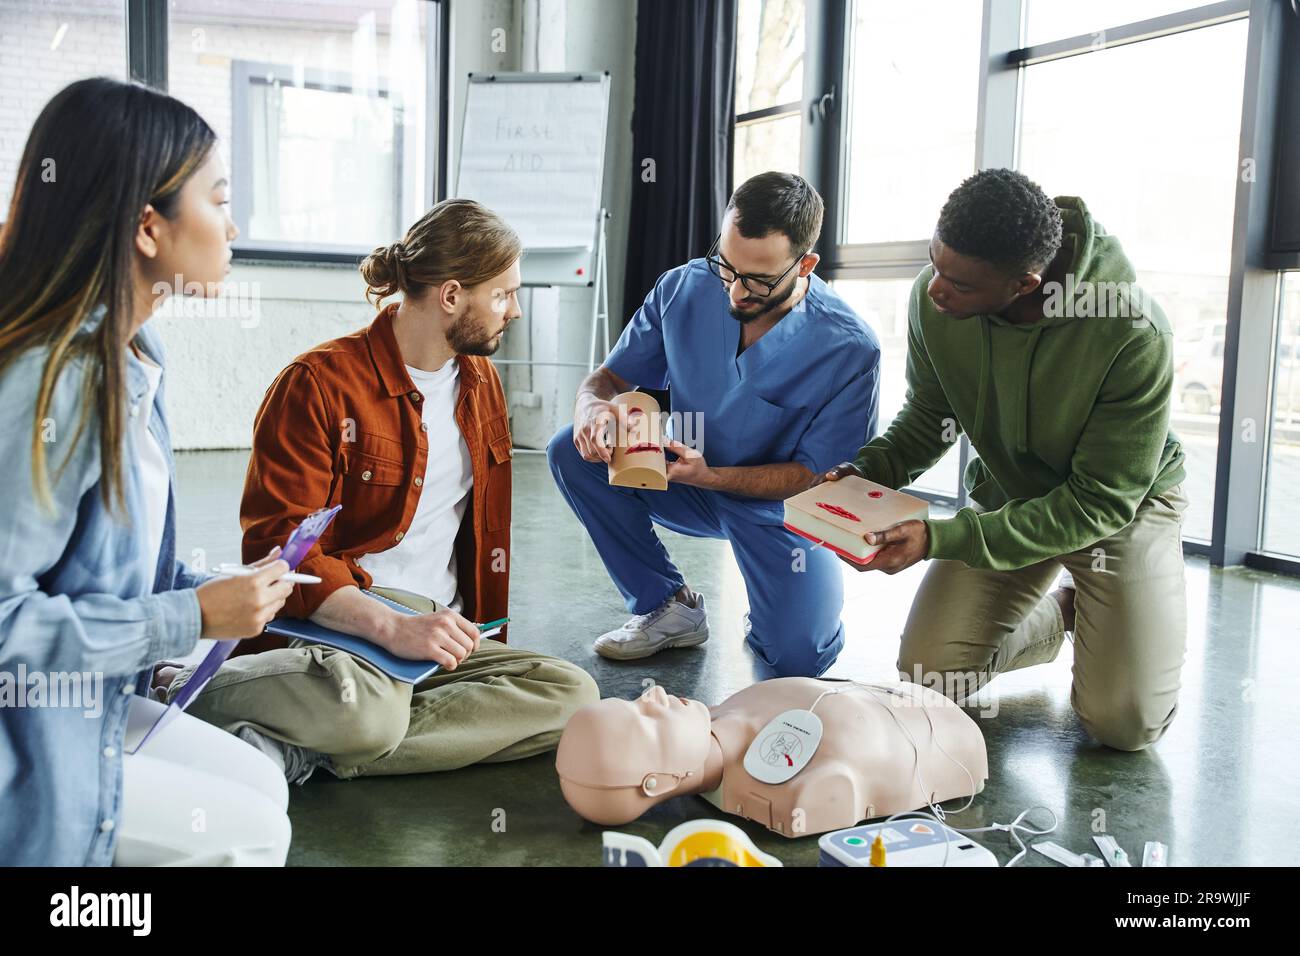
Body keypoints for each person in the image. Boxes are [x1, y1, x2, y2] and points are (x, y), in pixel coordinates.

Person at [157, 199, 599, 781]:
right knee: (367, 713)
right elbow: (279, 548)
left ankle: (308, 745)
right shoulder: (317, 384)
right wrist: (390, 626)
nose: (514, 310)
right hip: (344, 624)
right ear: (451, 295)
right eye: (502, 294)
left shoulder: (480, 381)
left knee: (572, 695)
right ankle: (181, 692)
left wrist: (430, 631)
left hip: (440, 627)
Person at [0, 78, 293, 866]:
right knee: (254, 833)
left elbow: (113, 575)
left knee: (266, 788)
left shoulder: (136, 359)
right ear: (146, 226)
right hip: (23, 741)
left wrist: (229, 589)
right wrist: (188, 618)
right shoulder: (54, 379)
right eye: (220, 199)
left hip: (82, 702)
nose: (234, 224)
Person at [822, 168, 1188, 752]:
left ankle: (1098, 611)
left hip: (1121, 511)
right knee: (932, 678)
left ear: (1023, 284)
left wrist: (939, 538)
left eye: (959, 283)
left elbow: (1099, 501)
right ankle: (1072, 613)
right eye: (934, 263)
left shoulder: (1133, 334)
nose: (935, 289)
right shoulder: (935, 300)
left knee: (1124, 724)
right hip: (1014, 495)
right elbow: (930, 414)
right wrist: (869, 473)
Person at [547, 172, 881, 677]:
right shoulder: (685, 287)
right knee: (570, 451)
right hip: (683, 478)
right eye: (726, 265)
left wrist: (713, 476)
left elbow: (815, 478)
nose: (736, 289)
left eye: (760, 278)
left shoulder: (850, 347)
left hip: (780, 510)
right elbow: (610, 377)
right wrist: (591, 408)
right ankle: (668, 604)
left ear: (805, 264)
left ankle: (780, 610)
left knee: (797, 658)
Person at [556, 678, 987, 836]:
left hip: (931, 713)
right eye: (643, 718)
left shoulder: (727, 710)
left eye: (634, 699)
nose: (652, 694)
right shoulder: (790, 787)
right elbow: (840, 784)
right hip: (938, 732)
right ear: (658, 782)